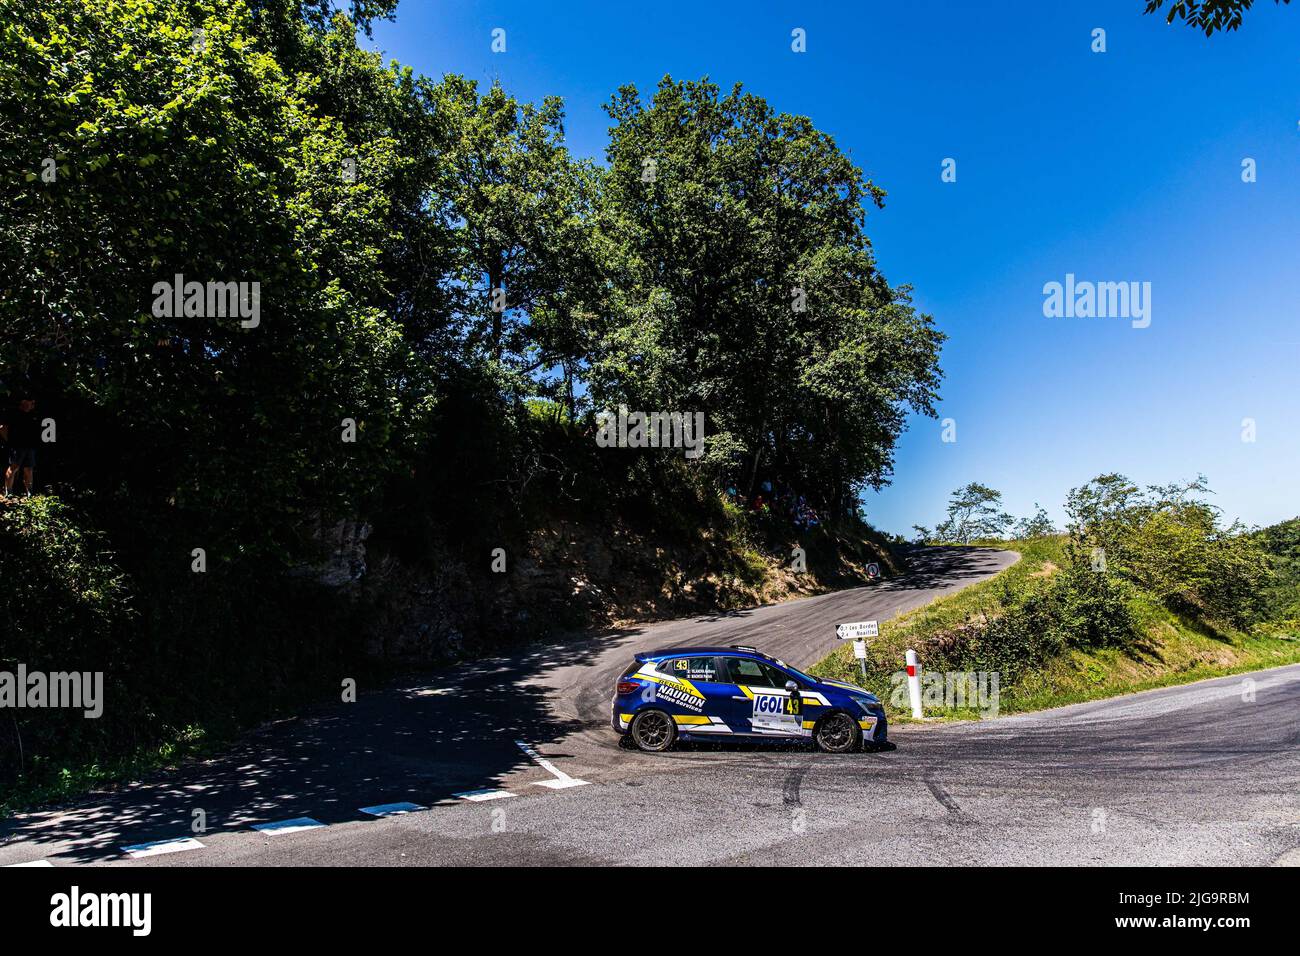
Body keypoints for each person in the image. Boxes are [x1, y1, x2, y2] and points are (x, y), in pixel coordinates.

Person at [1, 395, 40, 498]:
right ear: (23, 403)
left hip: (30, 446)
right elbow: (2, 428)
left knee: (29, 469)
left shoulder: (33, 414)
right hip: (16, 446)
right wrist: (9, 441)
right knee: (14, 467)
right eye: (30, 403)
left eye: (32, 403)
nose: (32, 405)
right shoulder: (13, 413)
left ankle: (29, 494)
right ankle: (8, 492)